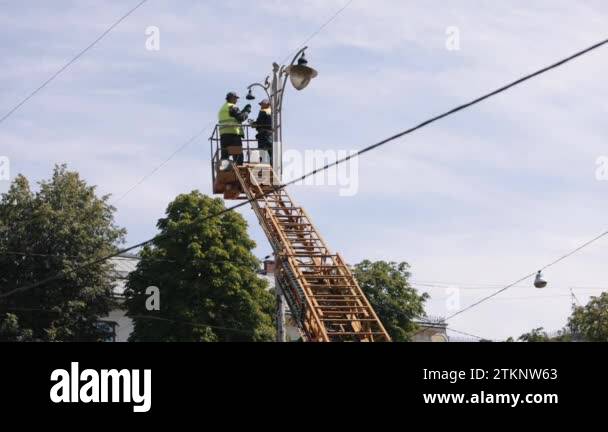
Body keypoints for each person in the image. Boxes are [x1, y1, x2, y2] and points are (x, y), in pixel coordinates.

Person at [218, 91, 251, 165]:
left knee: (225, 155)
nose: (237, 100)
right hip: (233, 134)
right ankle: (239, 170)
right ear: (232, 98)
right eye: (236, 98)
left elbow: (234, 117)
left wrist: (243, 111)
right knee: (238, 156)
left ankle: (224, 171)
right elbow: (241, 118)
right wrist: (247, 111)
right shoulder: (232, 106)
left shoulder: (222, 108)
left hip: (223, 135)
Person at [253, 99, 273, 165]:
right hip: (270, 134)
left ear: (267, 104)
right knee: (271, 152)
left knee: (263, 152)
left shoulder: (263, 111)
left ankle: (264, 166)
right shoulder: (272, 112)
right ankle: (272, 166)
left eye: (262, 104)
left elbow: (259, 122)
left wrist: (254, 124)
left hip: (263, 135)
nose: (261, 106)